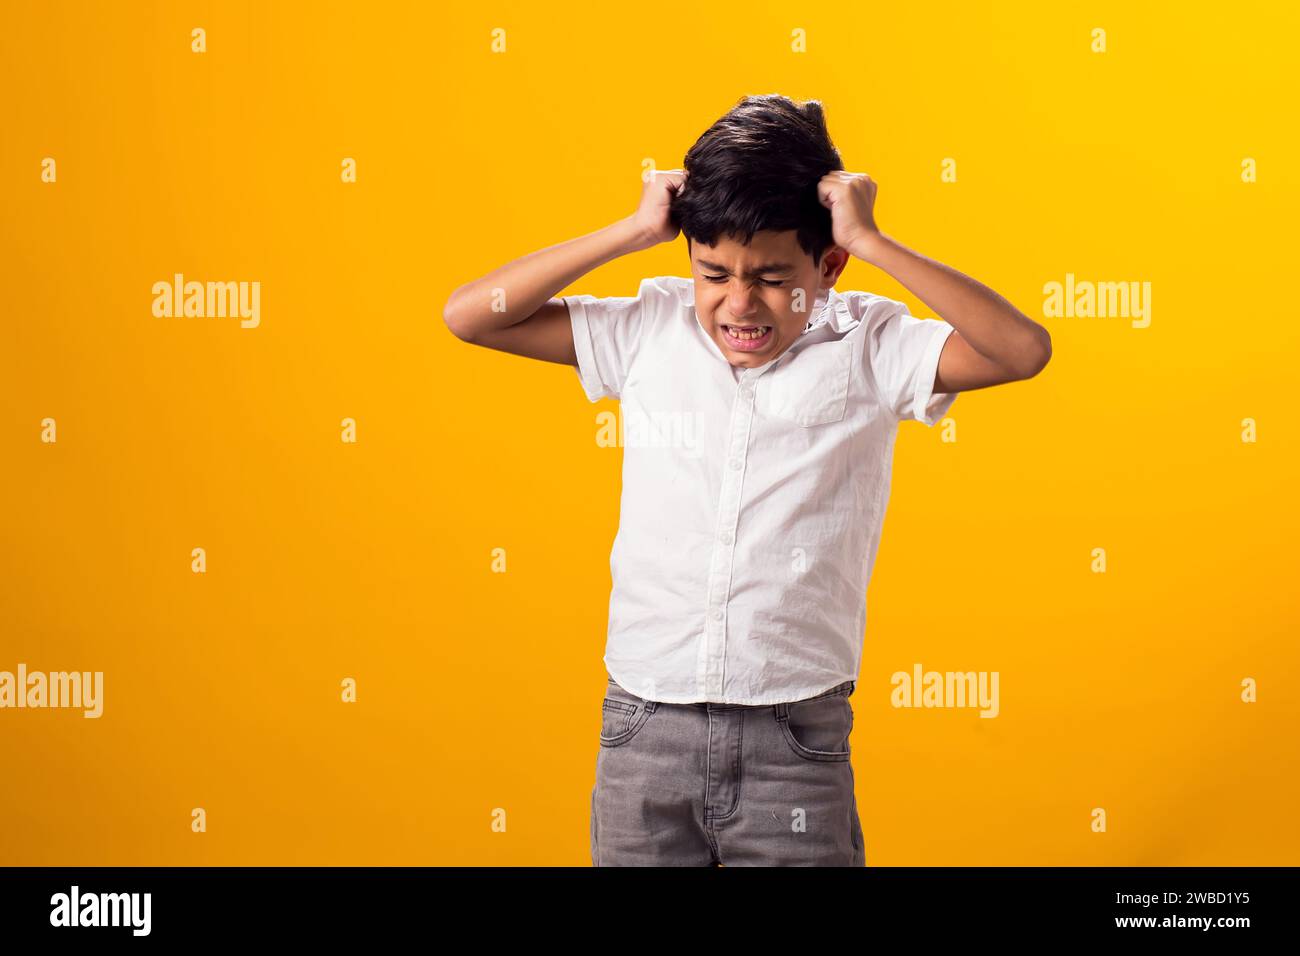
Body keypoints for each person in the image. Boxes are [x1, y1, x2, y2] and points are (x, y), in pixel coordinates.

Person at [443, 94, 1051, 866]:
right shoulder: (647, 329)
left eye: (770, 277)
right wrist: (632, 230)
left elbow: (1021, 351)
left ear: (827, 264)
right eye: (713, 274)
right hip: (642, 723)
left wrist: (871, 237)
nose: (739, 304)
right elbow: (471, 315)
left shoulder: (868, 344)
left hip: (792, 736)